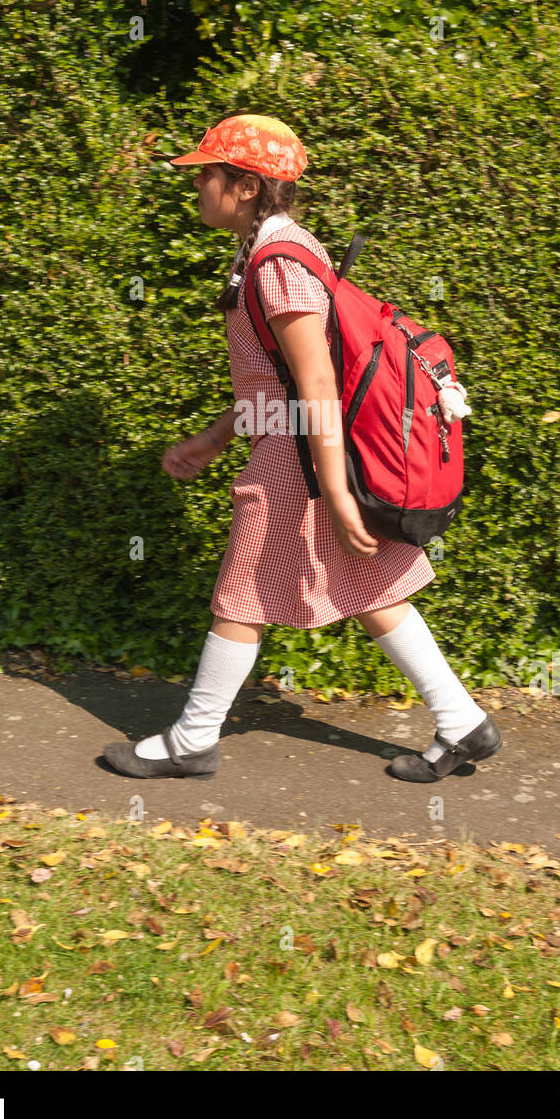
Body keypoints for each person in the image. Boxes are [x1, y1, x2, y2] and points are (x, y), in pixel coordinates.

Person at [103, 113, 501, 784]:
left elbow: (315, 380)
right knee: (369, 585)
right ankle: (462, 722)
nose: (197, 184)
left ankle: (192, 741)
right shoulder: (269, 250)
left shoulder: (278, 264)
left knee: (242, 593)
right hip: (296, 442)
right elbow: (278, 377)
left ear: (248, 186)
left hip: (298, 457)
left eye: (208, 173)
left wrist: (338, 493)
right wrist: (214, 436)